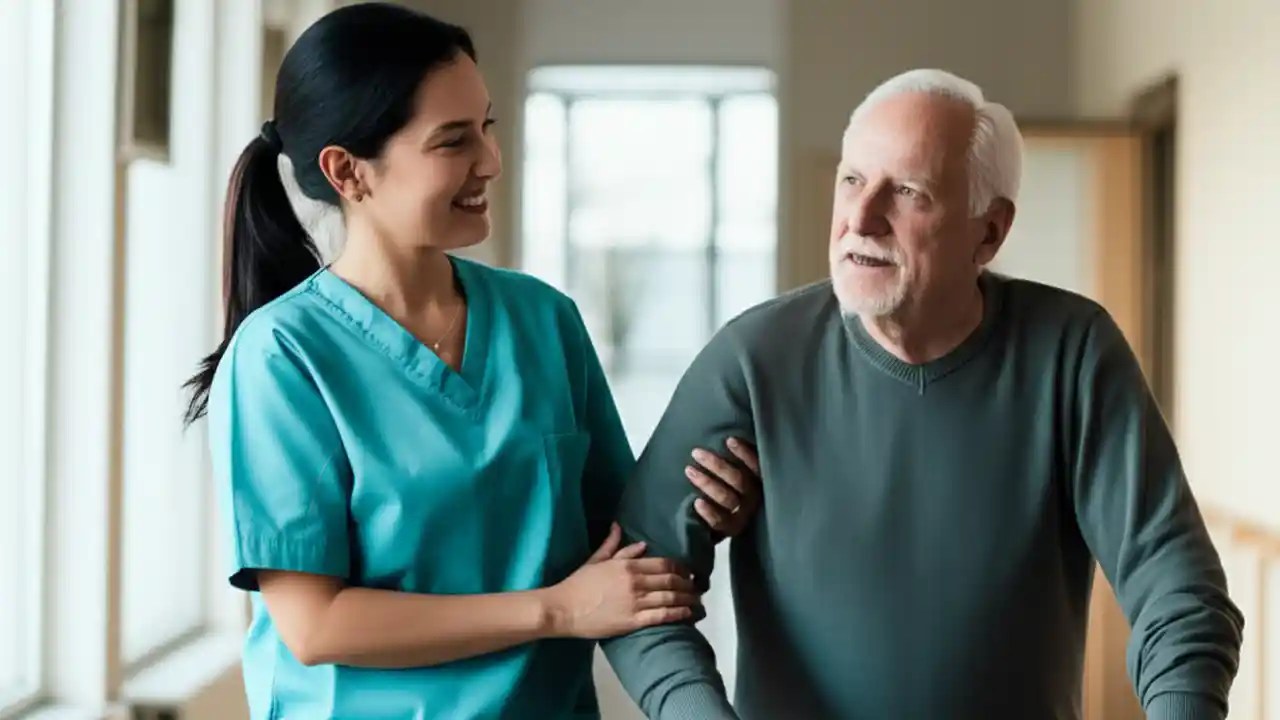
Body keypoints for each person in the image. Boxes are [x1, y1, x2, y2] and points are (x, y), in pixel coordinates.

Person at [601, 69, 1244, 719]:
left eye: (907, 191)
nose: (861, 217)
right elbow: (636, 586)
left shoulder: (1072, 352)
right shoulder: (754, 357)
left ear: (988, 233)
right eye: (852, 180)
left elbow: (1178, 590)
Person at [181, 4, 762, 718]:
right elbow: (316, 624)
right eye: (453, 141)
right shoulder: (282, 356)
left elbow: (622, 538)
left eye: (487, 126)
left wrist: (704, 508)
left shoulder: (543, 320)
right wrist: (555, 610)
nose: (490, 160)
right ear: (347, 171)